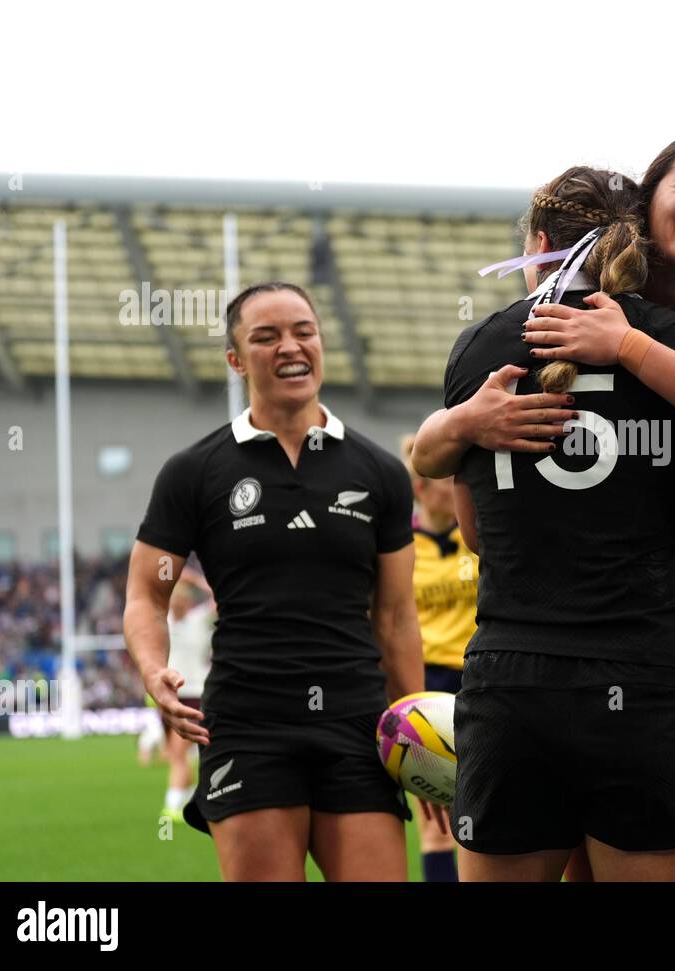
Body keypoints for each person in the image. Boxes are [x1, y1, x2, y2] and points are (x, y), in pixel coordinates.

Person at [440, 165, 675, 882]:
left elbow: (472, 530)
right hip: (653, 661)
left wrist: (453, 428)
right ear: (639, 229)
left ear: (536, 242)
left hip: (537, 668)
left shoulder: (482, 347)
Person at [123, 281, 428, 881]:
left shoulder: (381, 473)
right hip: (246, 723)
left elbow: (394, 617)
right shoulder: (194, 472)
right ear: (236, 360)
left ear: (320, 343)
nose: (289, 346)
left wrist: (414, 736)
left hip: (355, 722)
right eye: (265, 337)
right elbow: (146, 593)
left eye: (303, 331)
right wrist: (153, 669)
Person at [400, 432, 479, 882]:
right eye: (446, 481)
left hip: (476, 683)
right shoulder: (402, 549)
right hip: (426, 689)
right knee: (437, 826)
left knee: (483, 818)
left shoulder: (477, 538)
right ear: (420, 489)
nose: (455, 489)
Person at [160, 565, 215, 822]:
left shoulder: (199, 620)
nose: (178, 603)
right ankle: (191, 798)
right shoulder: (164, 622)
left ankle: (171, 807)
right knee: (177, 753)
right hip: (171, 696)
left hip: (195, 693)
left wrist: (195, 579)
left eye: (182, 599)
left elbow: (219, 596)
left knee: (179, 753)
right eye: (175, 599)